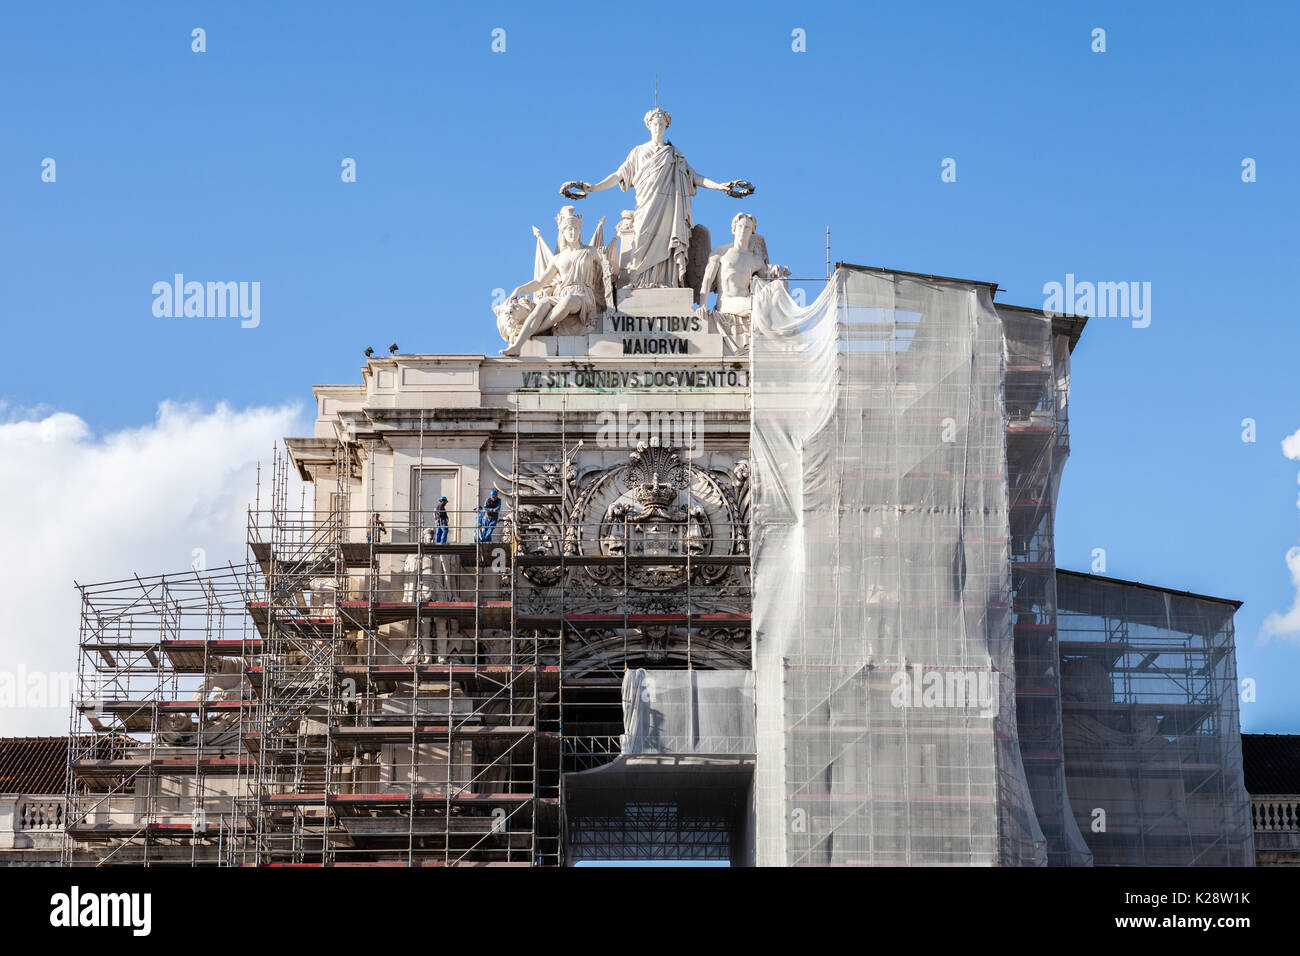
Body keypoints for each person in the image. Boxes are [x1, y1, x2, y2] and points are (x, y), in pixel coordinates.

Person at [562, 107, 749, 289]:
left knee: (668, 242)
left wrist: (720, 186)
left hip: (670, 206)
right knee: (641, 238)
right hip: (646, 204)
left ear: (666, 126)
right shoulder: (638, 152)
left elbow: (695, 177)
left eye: (661, 123)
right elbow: (619, 175)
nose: (658, 126)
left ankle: (667, 282)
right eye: (655, 123)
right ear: (649, 126)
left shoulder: (674, 154)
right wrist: (594, 187)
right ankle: (638, 281)